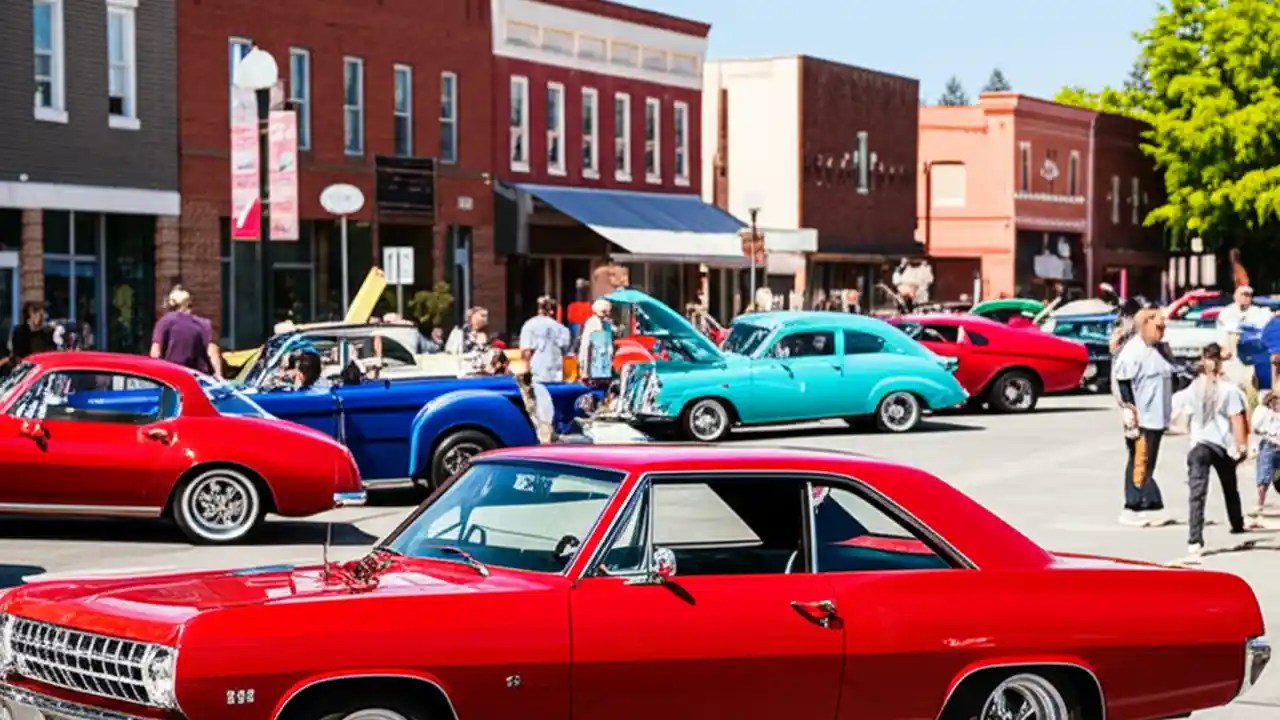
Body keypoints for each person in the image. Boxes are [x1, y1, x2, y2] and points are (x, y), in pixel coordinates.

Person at [1173, 344, 1250, 560]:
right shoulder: (1229, 390)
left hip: (1199, 446)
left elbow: (1182, 416)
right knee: (1229, 485)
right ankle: (1236, 522)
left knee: (1197, 493)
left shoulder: (1193, 388)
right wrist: (1242, 446)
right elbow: (1237, 420)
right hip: (1221, 446)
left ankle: (1194, 538)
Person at [1114, 308, 1176, 527]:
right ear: (1145, 324)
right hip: (1143, 418)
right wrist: (1130, 411)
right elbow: (1123, 382)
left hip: (1158, 417)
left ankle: (1152, 504)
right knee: (1139, 462)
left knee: (1148, 463)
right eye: (1159, 327)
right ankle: (1132, 506)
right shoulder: (1134, 351)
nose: (1162, 332)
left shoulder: (1159, 349)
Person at [151, 287, 221, 376]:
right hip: (199, 378)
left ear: (170, 304)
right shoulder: (203, 323)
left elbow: (156, 352)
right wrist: (219, 376)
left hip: (173, 376)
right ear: (190, 304)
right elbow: (213, 352)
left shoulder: (165, 322)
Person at [519, 296, 571, 384]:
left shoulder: (529, 325)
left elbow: (526, 353)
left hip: (537, 374)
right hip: (556, 374)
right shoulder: (561, 328)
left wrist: (526, 373)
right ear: (552, 311)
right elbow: (566, 352)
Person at [1218, 285, 1272, 358]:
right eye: (1242, 295)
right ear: (1235, 296)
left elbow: (1261, 324)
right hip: (1231, 342)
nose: (1245, 298)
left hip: (1252, 342)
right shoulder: (1227, 311)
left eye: (1248, 295)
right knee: (1234, 334)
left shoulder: (1256, 310)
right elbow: (1230, 328)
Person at [1253, 389, 1280, 514]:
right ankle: (1260, 503)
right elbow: (1256, 427)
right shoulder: (1263, 412)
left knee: (1278, 477)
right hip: (1269, 447)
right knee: (1264, 476)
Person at [578, 298, 614, 386]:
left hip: (604, 366)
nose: (607, 314)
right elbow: (586, 347)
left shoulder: (607, 324)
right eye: (605, 311)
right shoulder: (592, 323)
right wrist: (585, 372)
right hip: (594, 366)